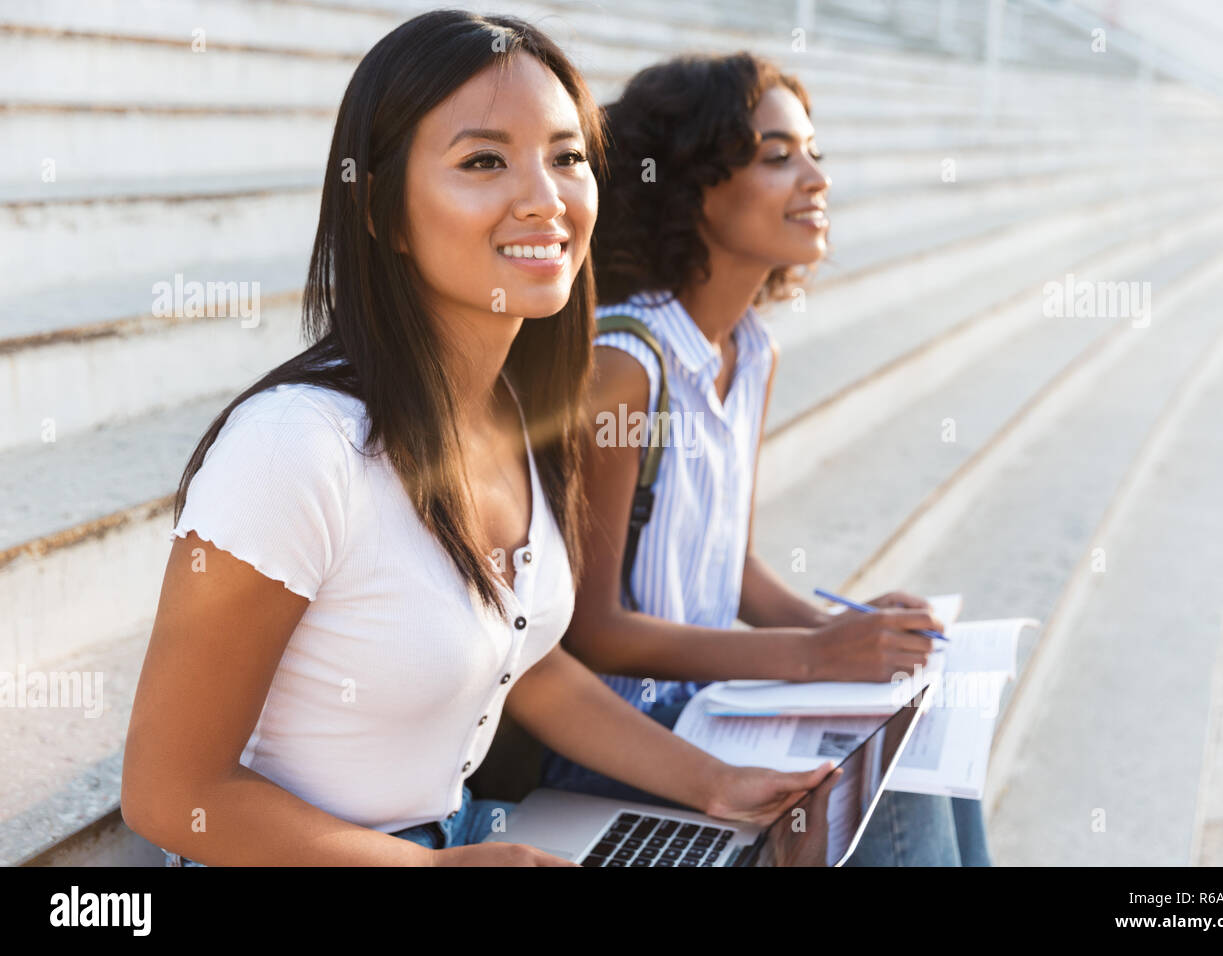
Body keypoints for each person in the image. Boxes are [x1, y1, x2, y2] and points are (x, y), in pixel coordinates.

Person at [120, 11, 834, 867]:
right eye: (484, 161)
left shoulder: (509, 408)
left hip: (458, 837)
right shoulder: (294, 447)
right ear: (380, 207)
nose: (545, 197)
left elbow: (526, 661)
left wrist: (714, 783)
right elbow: (172, 795)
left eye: (567, 157)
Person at [540, 52, 992, 866]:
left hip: (717, 697)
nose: (814, 177)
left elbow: (733, 563)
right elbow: (594, 632)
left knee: (924, 704)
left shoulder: (751, 351)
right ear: (694, 187)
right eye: (778, 156)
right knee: (893, 773)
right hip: (629, 734)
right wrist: (817, 656)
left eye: (813, 152)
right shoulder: (625, 367)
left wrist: (853, 632)